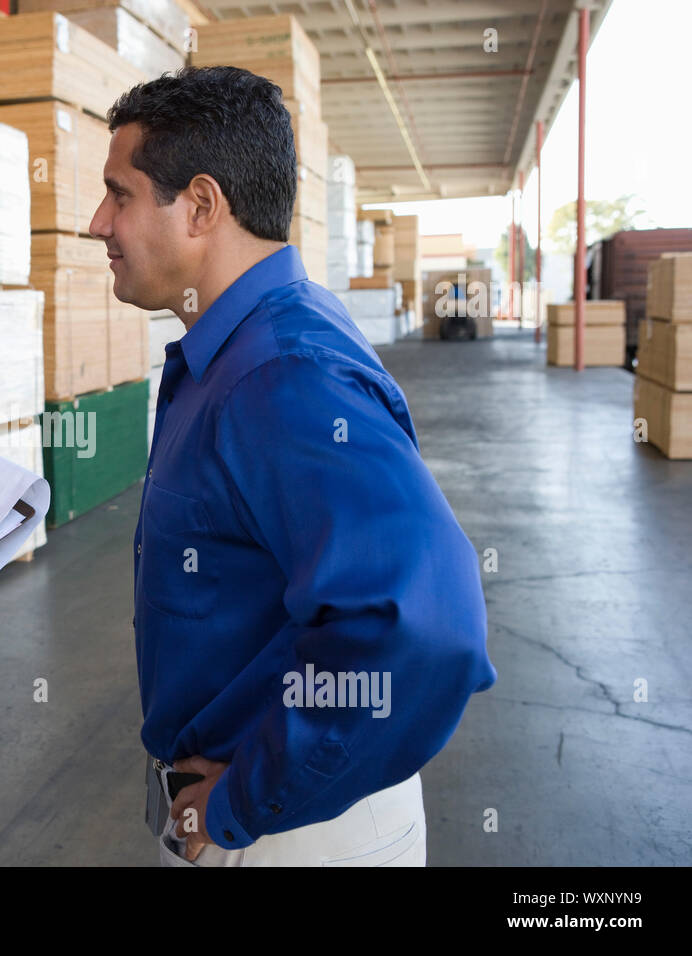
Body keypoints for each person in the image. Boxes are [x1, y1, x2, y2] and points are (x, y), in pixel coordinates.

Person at [89, 66, 496, 867]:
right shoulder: (245, 348)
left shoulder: (281, 374)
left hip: (292, 833)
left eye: (120, 194)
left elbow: (426, 628)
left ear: (201, 206)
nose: (96, 223)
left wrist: (242, 801)